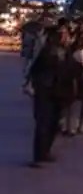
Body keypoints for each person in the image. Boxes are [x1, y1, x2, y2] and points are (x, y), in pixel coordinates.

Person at [26, 25, 73, 166]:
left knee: (54, 124)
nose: (64, 37)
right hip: (45, 92)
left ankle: (46, 151)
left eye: (65, 34)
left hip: (59, 93)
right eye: (61, 34)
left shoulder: (66, 52)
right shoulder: (46, 52)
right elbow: (34, 71)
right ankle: (38, 156)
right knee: (42, 124)